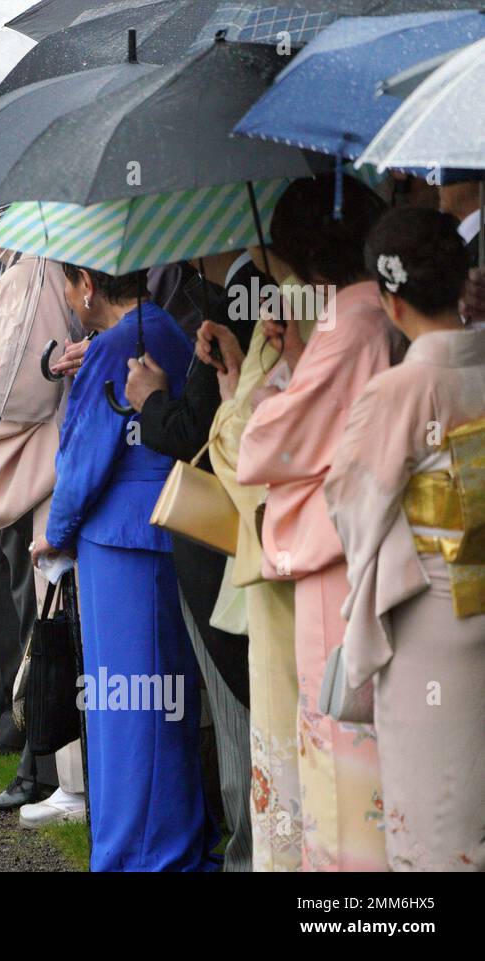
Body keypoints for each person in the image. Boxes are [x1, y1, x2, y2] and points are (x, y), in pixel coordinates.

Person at [32, 264, 219, 872]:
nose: (67, 296)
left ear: (87, 282)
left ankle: (140, 853)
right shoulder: (162, 326)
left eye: (67, 284)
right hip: (163, 528)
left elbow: (84, 454)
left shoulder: (117, 343)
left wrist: (54, 535)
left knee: (128, 712)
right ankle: (162, 843)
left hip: (120, 539)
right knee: (159, 701)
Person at [237, 176, 392, 872]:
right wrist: (299, 359)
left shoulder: (352, 317)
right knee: (349, 734)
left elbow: (279, 435)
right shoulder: (373, 312)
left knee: (336, 735)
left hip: (333, 550)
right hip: (366, 538)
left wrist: (273, 391)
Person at [324, 207, 485, 871]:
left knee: (432, 822)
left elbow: (352, 504)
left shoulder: (402, 389)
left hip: (431, 620)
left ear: (390, 301)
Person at [121, 249, 268, 872]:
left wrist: (148, 399)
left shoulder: (250, 298)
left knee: (245, 714)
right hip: (218, 540)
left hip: (228, 544)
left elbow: (201, 431)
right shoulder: (218, 297)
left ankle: (251, 853)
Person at [0, 251, 84, 824]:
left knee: (48, 627)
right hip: (55, 458)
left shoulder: (30, 271)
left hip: (45, 466)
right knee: (51, 624)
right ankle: (52, 772)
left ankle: (53, 775)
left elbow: (20, 395)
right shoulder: (44, 265)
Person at [201, 252, 316, 871]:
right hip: (296, 541)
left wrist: (229, 407)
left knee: (291, 729)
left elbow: (245, 443)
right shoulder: (298, 300)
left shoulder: (294, 300)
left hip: (290, 542)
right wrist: (239, 374)